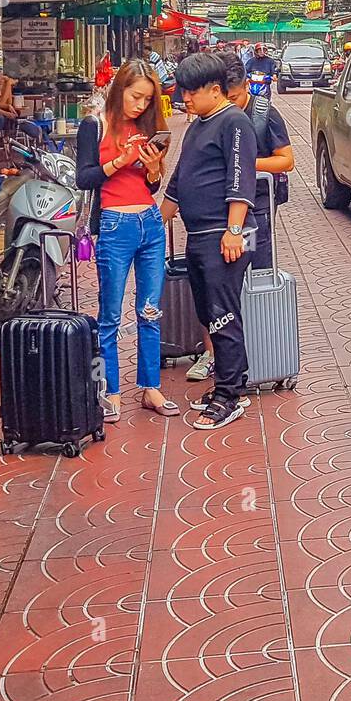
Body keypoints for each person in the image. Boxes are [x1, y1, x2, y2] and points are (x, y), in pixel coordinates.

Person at [187, 49, 294, 399]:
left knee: (252, 283)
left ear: (244, 87)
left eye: (234, 97)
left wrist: (246, 164)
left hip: (255, 213)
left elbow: (287, 161)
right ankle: (215, 356)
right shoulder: (209, 119)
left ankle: (260, 359)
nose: (229, 103)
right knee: (218, 294)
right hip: (219, 218)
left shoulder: (263, 115)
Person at [159, 51, 258, 429]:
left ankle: (231, 393)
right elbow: (180, 181)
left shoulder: (234, 122)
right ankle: (229, 383)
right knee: (207, 312)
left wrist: (234, 231)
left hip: (227, 236)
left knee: (223, 313)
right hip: (199, 236)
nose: (184, 98)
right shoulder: (199, 124)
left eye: (191, 92)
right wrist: (157, 222)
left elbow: (241, 177)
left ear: (214, 90)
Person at [76, 59, 175, 422]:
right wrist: (121, 161)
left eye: (147, 100)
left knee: (150, 311)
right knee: (109, 317)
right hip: (115, 225)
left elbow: (151, 186)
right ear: (120, 89)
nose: (140, 105)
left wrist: (152, 169)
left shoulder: (144, 127)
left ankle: (150, 387)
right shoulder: (95, 125)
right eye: (136, 97)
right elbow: (84, 178)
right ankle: (108, 389)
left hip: (149, 222)